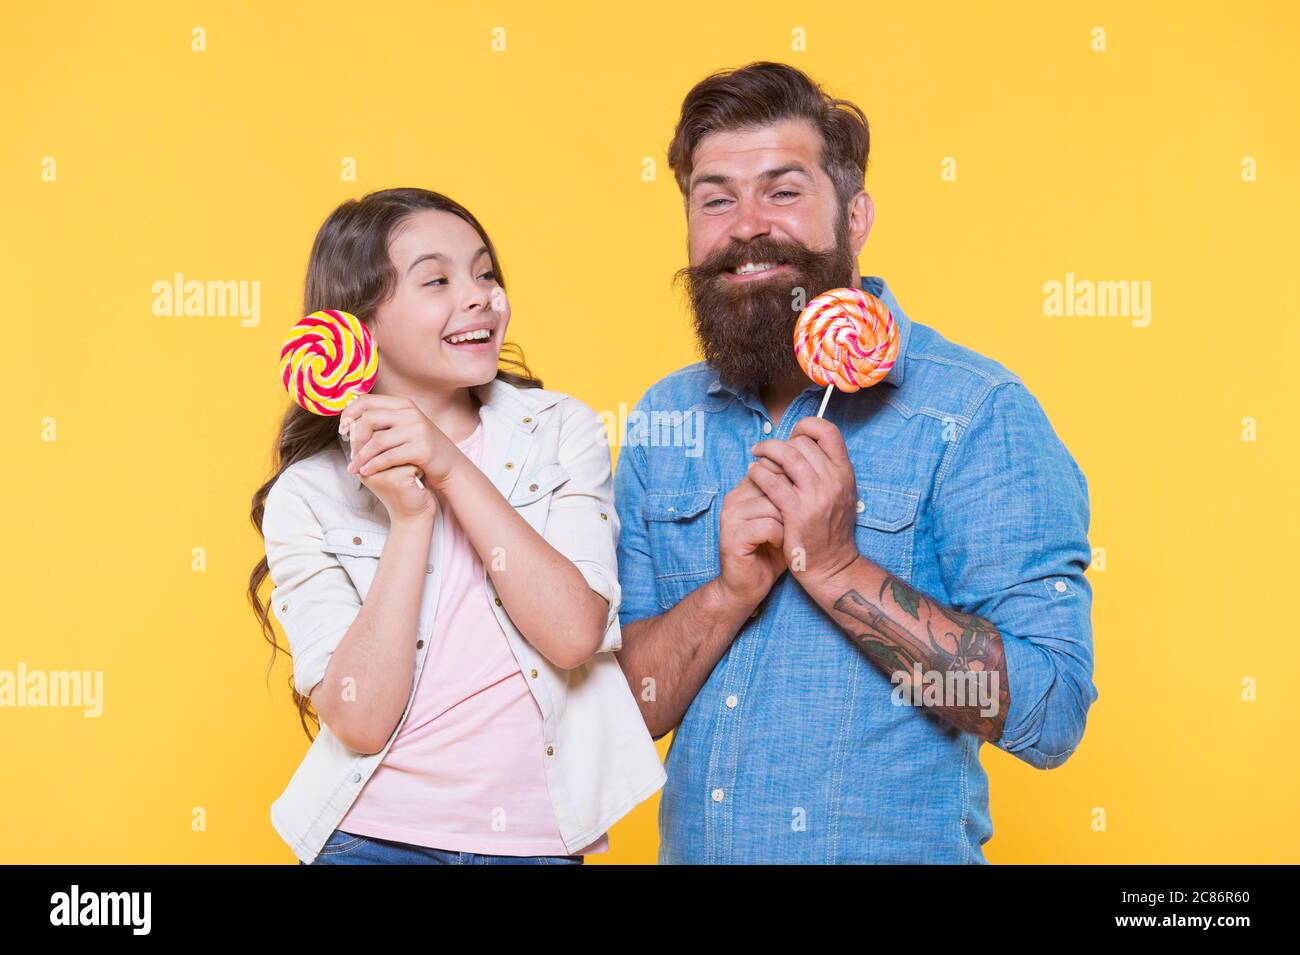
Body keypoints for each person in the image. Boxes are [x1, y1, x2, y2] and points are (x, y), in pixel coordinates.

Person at [613, 62, 1098, 864]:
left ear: (856, 215)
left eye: (784, 190)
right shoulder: (665, 419)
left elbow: (1049, 715)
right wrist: (730, 594)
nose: (746, 226)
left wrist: (837, 567)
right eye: (716, 198)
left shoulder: (974, 412)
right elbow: (627, 712)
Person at [248, 187, 665, 865]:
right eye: (438, 280)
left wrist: (447, 467)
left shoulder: (561, 431)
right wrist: (410, 518)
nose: (480, 297)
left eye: (485, 272)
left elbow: (573, 633)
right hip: (370, 840)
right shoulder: (307, 495)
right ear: (359, 325)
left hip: (536, 844)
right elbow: (359, 715)